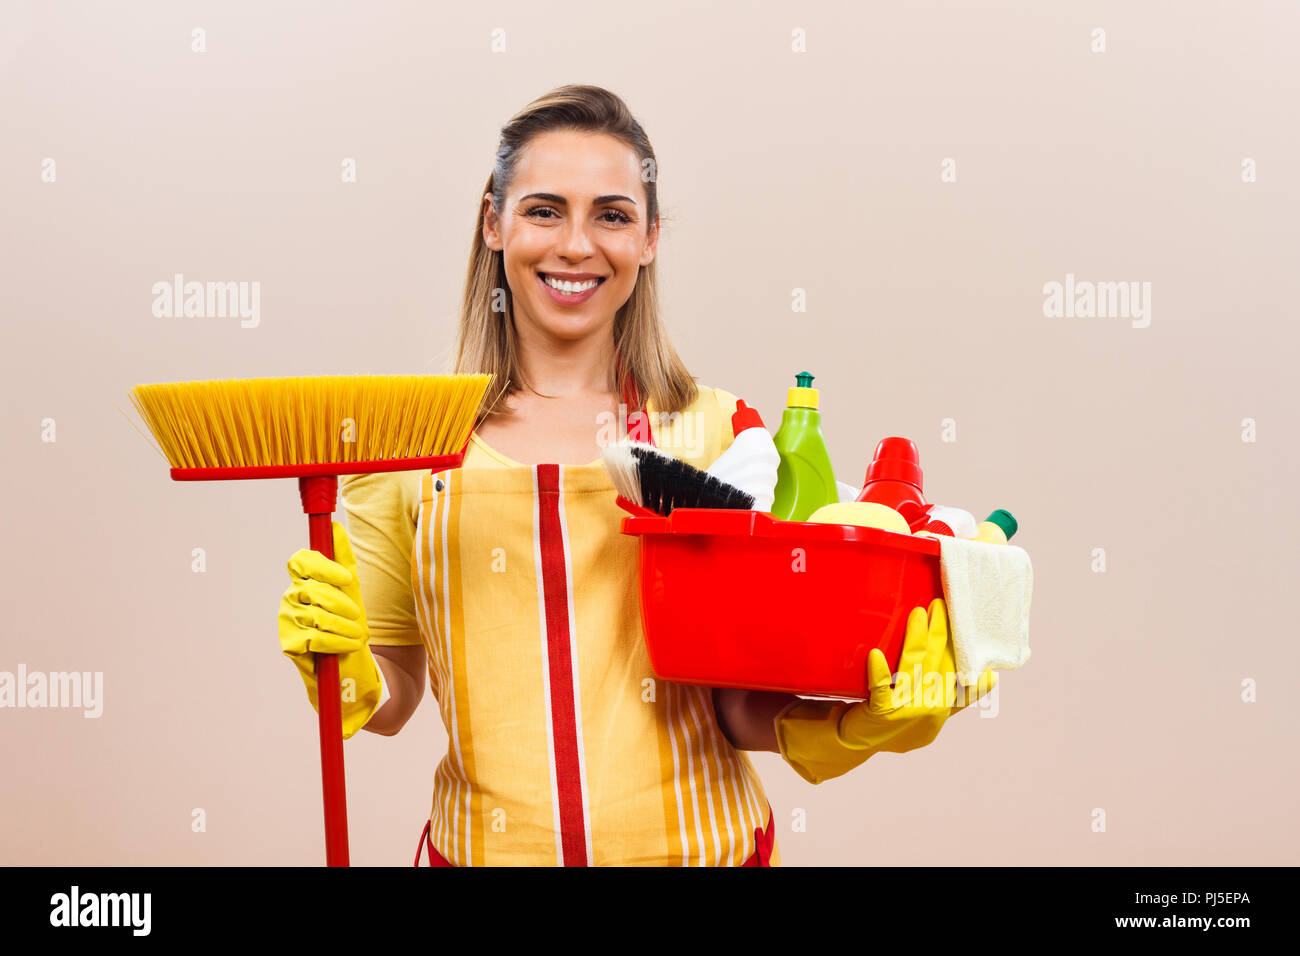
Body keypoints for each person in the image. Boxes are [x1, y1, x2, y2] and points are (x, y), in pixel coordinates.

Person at [275, 85, 995, 867]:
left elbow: (733, 701)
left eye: (612, 215)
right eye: (544, 210)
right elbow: (394, 693)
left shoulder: (721, 435)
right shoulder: (403, 450)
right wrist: (348, 677)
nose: (577, 246)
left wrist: (850, 727)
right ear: (494, 224)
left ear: (650, 238)